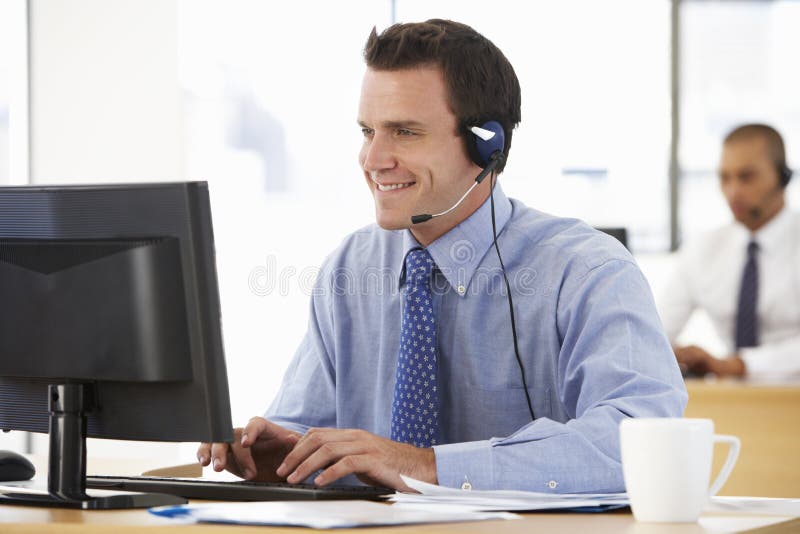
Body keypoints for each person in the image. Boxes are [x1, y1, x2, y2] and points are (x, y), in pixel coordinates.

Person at [197, 19, 686, 493]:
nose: (373, 160)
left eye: (404, 132)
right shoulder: (350, 267)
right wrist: (281, 457)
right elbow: (309, 428)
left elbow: (643, 444)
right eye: (367, 131)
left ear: (486, 146)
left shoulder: (587, 272)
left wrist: (425, 466)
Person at [658, 124, 799, 379]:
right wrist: (666, 353)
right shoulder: (703, 249)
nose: (733, 192)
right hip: (730, 395)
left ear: (782, 177)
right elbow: (659, 328)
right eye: (724, 178)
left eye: (746, 177)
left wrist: (738, 365)